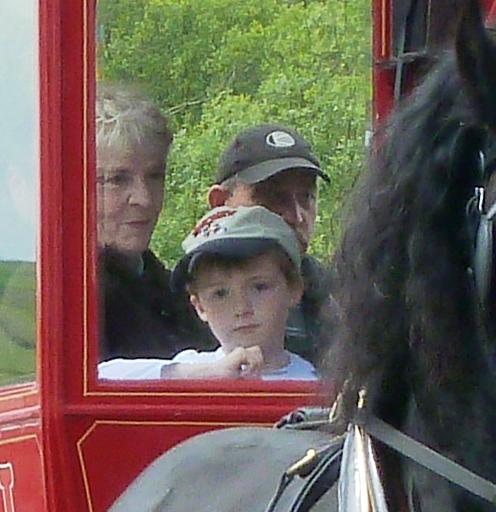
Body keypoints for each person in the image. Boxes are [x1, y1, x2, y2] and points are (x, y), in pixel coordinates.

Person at [94, 82, 211, 366]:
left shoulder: (176, 292)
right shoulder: (68, 301)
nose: (144, 199)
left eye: (155, 176)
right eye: (118, 179)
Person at [204, 123, 332, 362]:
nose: (296, 216)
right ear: (220, 203)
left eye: (306, 197)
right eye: (273, 197)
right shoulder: (180, 305)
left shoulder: (345, 302)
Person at [175, 207, 322, 381]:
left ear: (294, 289)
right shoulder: (187, 371)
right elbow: (134, 372)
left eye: (259, 287)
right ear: (200, 307)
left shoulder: (316, 383)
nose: (242, 308)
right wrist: (203, 373)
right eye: (220, 293)